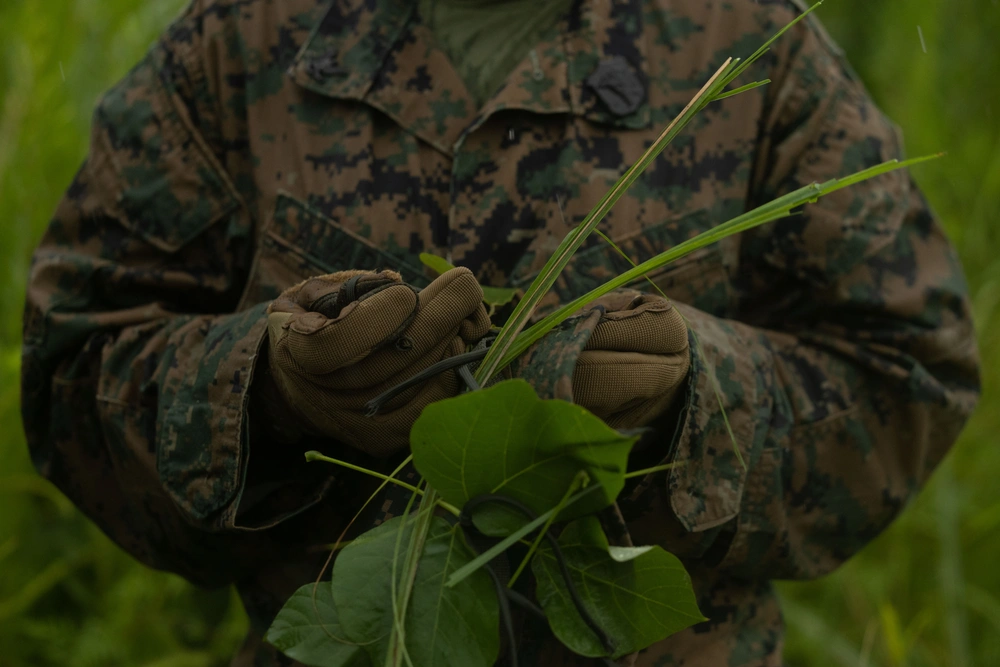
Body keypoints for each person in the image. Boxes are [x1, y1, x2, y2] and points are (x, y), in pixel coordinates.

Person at [20, 0, 980, 665]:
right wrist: (268, 391)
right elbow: (72, 365)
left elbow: (908, 373)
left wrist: (695, 393)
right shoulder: (241, 41)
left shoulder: (744, 42)